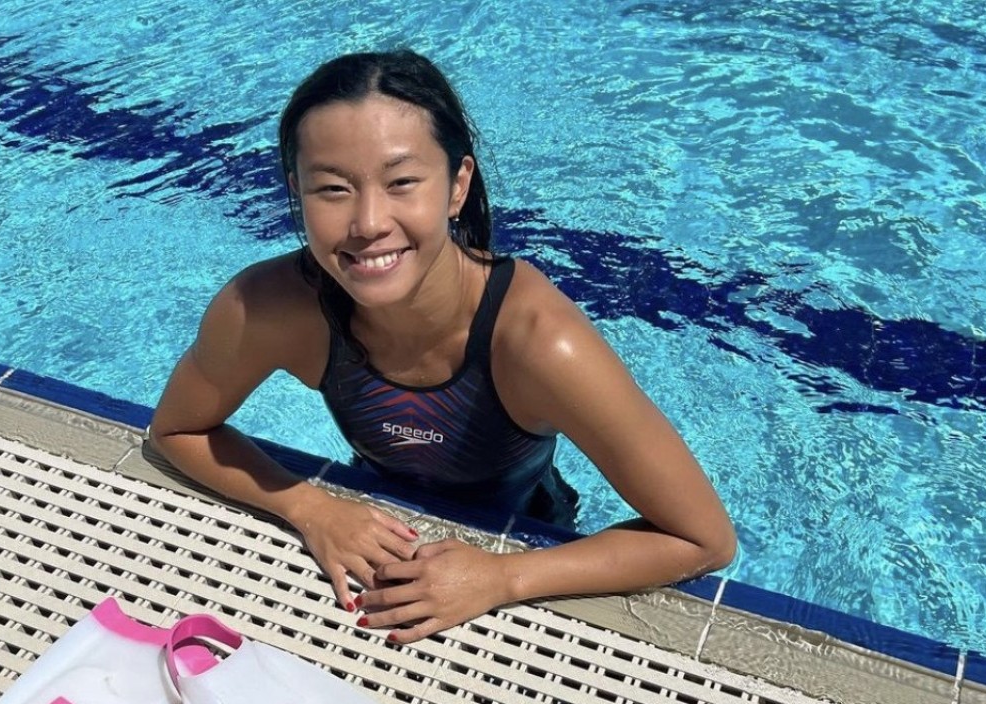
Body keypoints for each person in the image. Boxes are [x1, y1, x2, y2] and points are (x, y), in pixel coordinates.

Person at [150, 49, 736, 644]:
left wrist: (504, 577)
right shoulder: (271, 309)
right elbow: (175, 431)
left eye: (402, 181)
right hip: (375, 514)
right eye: (331, 188)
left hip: (527, 526)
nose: (368, 222)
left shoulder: (536, 342)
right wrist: (310, 508)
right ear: (295, 191)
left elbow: (702, 539)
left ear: (457, 186)